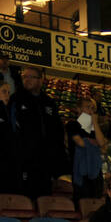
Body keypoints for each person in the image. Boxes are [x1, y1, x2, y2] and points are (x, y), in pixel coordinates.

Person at [12, 63, 68, 199]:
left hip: (46, 162)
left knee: (44, 198)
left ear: (41, 80)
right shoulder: (16, 100)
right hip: (24, 160)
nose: (27, 80)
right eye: (24, 77)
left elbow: (58, 132)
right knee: (25, 197)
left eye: (31, 77)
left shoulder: (49, 102)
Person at [67, 96, 106, 203]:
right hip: (80, 170)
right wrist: (95, 144)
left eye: (93, 108)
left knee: (96, 202)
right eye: (88, 107)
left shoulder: (94, 128)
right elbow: (80, 142)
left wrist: (95, 123)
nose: (91, 111)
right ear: (78, 109)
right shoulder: (72, 124)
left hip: (95, 170)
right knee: (82, 202)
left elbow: (102, 144)